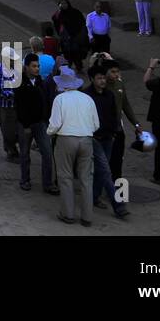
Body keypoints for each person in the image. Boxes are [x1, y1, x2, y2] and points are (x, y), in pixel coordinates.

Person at [47, 66, 98, 225]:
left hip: (66, 139)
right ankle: (87, 217)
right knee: (86, 178)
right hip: (86, 138)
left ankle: (68, 214)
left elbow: (55, 124)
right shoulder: (88, 99)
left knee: (65, 176)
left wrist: (49, 132)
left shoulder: (59, 99)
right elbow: (96, 124)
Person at [82, 64, 129, 219]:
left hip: (108, 137)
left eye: (103, 78)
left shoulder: (109, 95)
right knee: (106, 171)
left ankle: (94, 197)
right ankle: (119, 206)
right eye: (99, 78)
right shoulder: (86, 96)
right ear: (92, 79)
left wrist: (115, 131)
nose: (102, 81)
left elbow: (115, 114)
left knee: (101, 171)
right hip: (94, 138)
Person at [14, 52, 55, 193]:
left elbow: (44, 101)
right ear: (26, 67)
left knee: (47, 153)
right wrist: (25, 126)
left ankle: (47, 183)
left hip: (40, 123)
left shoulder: (40, 82)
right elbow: (19, 106)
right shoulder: (19, 83)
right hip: (25, 124)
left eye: (38, 66)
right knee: (25, 154)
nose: (37, 69)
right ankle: (25, 180)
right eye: (34, 66)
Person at [103, 58, 141, 184]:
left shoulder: (119, 85)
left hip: (118, 130)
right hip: (103, 132)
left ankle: (116, 187)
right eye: (113, 72)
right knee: (103, 161)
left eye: (117, 72)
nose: (116, 75)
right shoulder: (101, 87)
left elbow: (126, 105)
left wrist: (136, 123)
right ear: (105, 72)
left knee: (117, 161)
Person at [0, 47, 20, 163]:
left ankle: (11, 149)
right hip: (5, 106)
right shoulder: (0, 71)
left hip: (14, 105)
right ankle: (11, 151)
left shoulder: (14, 69)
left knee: (14, 129)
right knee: (8, 130)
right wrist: (14, 93)